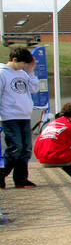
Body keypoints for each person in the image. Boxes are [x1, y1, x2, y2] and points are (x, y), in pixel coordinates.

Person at [1, 47, 43, 189]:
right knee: (15, 148)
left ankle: (21, 178)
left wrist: (30, 72)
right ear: (14, 60)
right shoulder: (2, 73)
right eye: (23, 63)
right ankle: (2, 174)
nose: (25, 66)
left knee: (25, 149)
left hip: (24, 115)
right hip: (9, 116)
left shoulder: (23, 73)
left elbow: (34, 88)